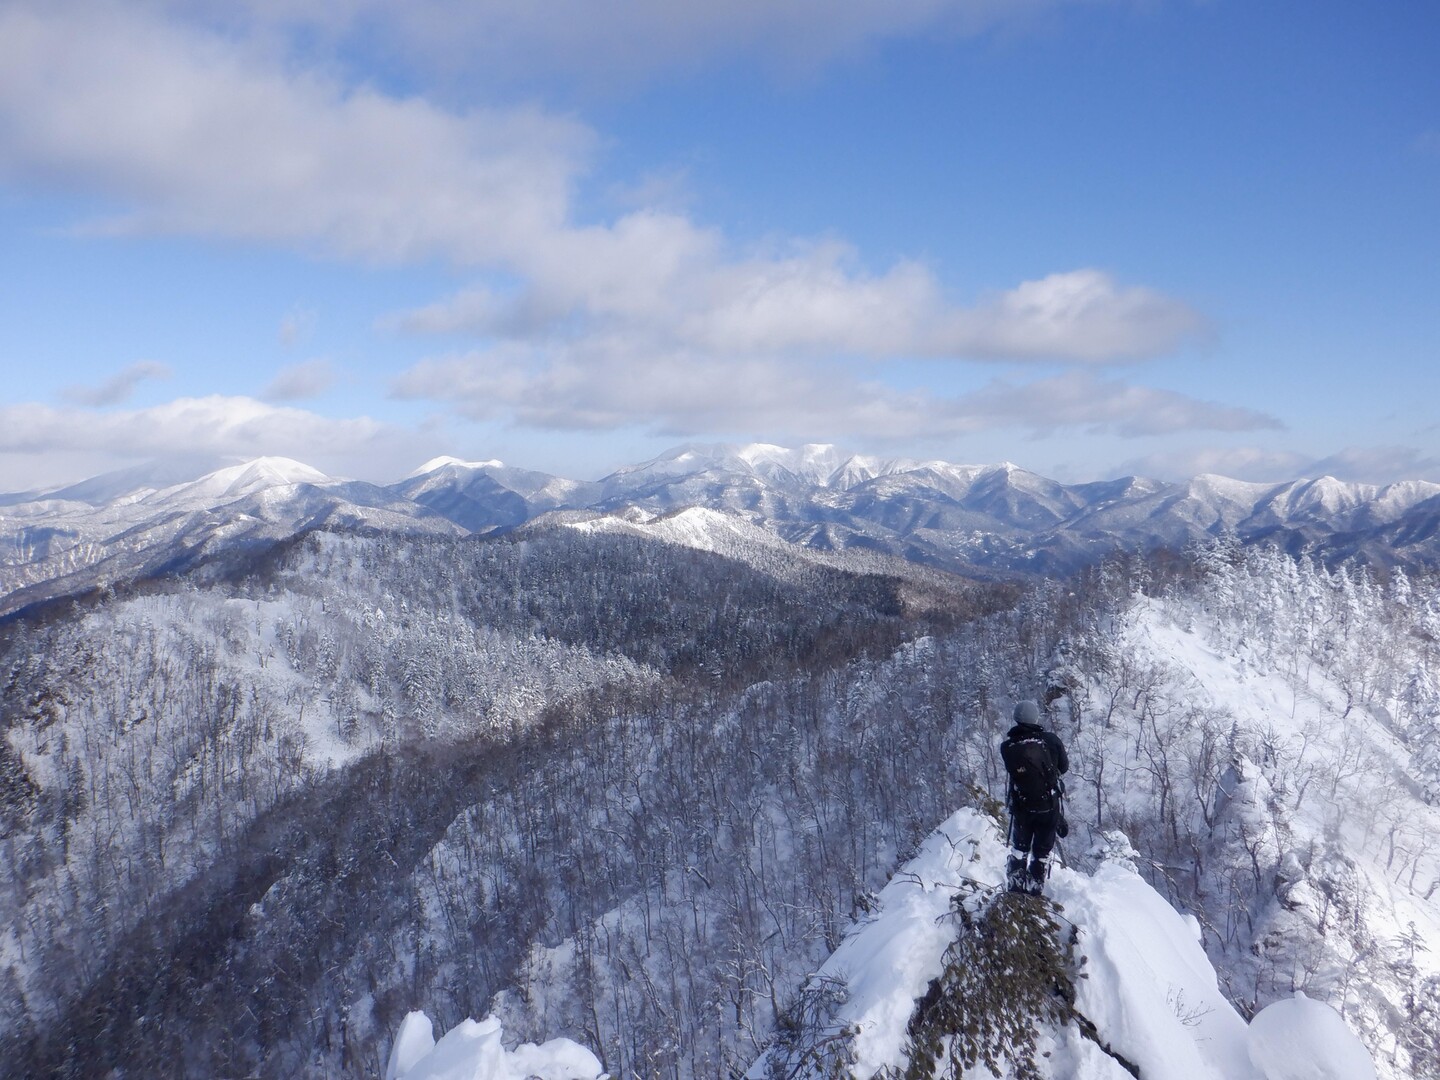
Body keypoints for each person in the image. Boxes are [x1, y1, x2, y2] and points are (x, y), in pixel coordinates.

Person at [1000, 700, 1069, 896]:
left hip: (1022, 807)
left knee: (1020, 848)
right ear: (1036, 718)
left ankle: (1015, 890)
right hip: (1049, 806)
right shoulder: (1051, 740)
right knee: (1041, 852)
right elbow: (1063, 767)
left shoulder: (1007, 747)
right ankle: (1035, 889)